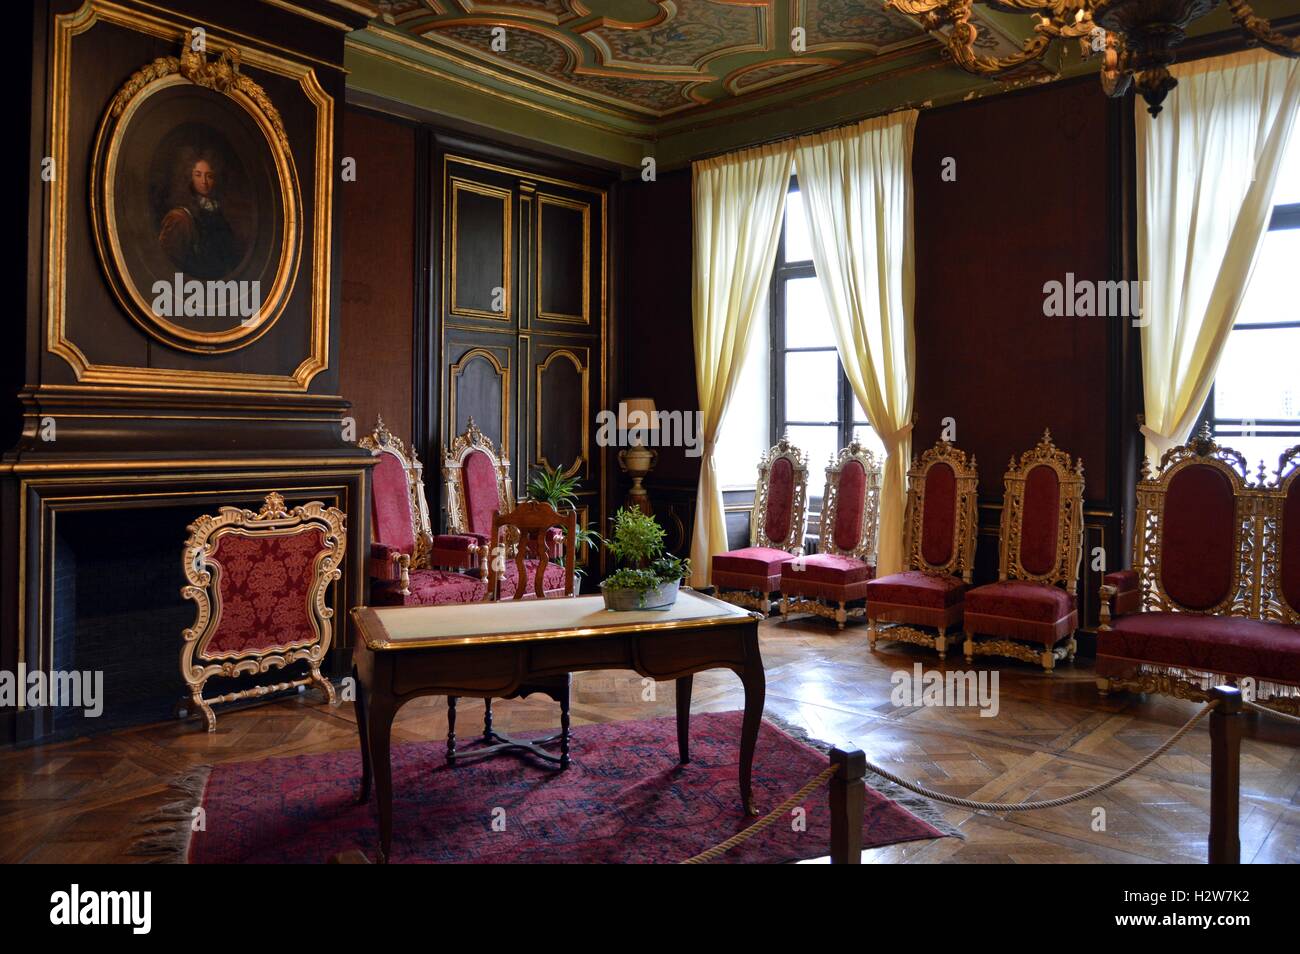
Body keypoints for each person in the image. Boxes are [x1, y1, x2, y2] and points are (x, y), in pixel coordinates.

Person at [157, 151, 241, 279]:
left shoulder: (216, 211)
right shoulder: (180, 218)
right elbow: (168, 267)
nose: (204, 181)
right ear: (189, 177)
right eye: (198, 175)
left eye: (209, 176)